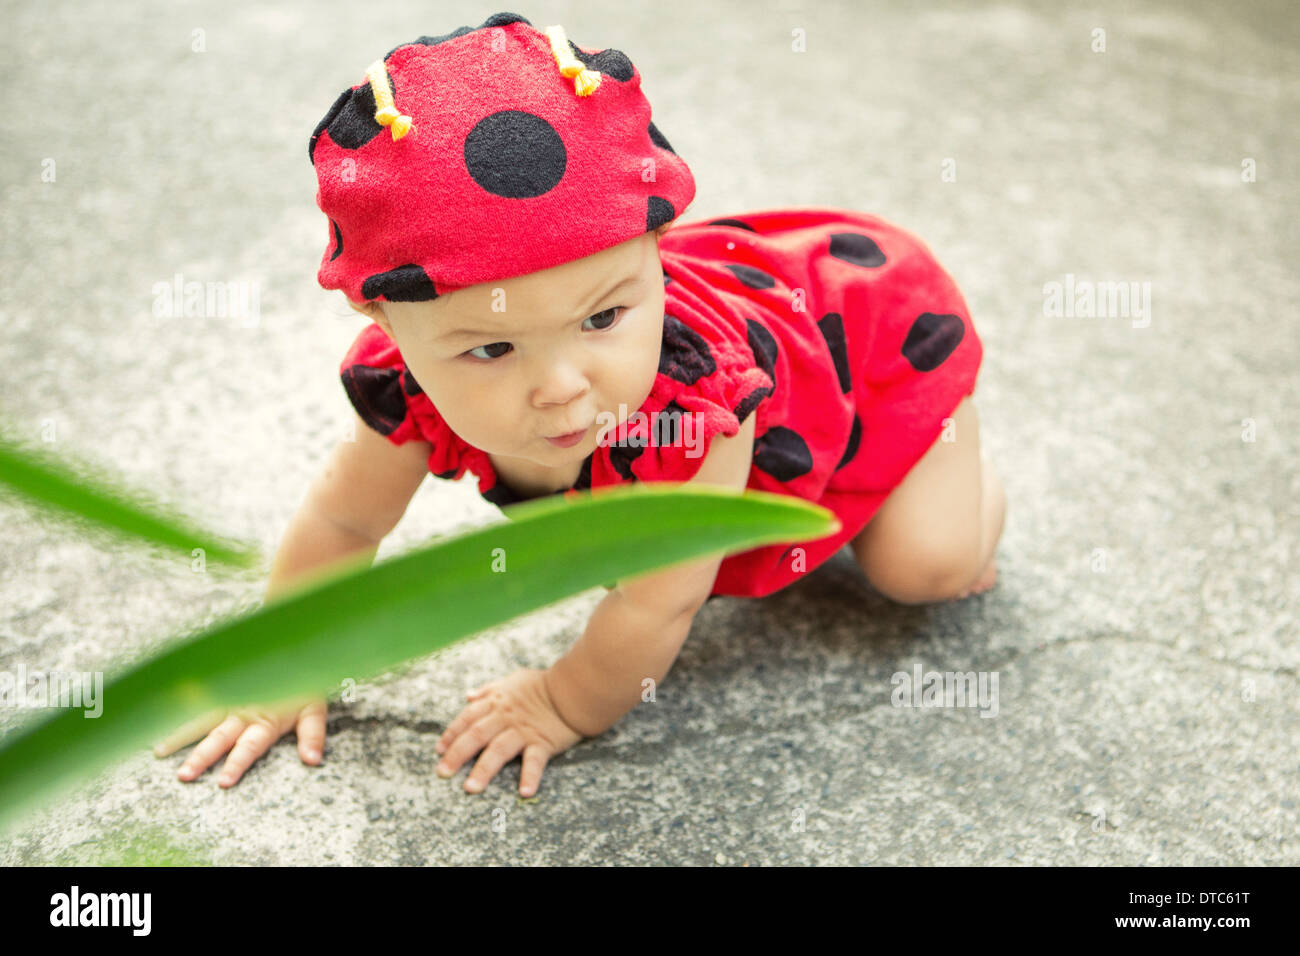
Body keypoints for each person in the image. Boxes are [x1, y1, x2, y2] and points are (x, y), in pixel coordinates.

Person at [154, 12, 1006, 799]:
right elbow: (344, 525)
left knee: (927, 570)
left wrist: (563, 703)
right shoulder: (404, 386)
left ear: (656, 247)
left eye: (604, 316)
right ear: (382, 318)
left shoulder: (705, 405)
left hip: (869, 336)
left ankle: (950, 454)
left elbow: (655, 600)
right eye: (491, 347)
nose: (562, 385)